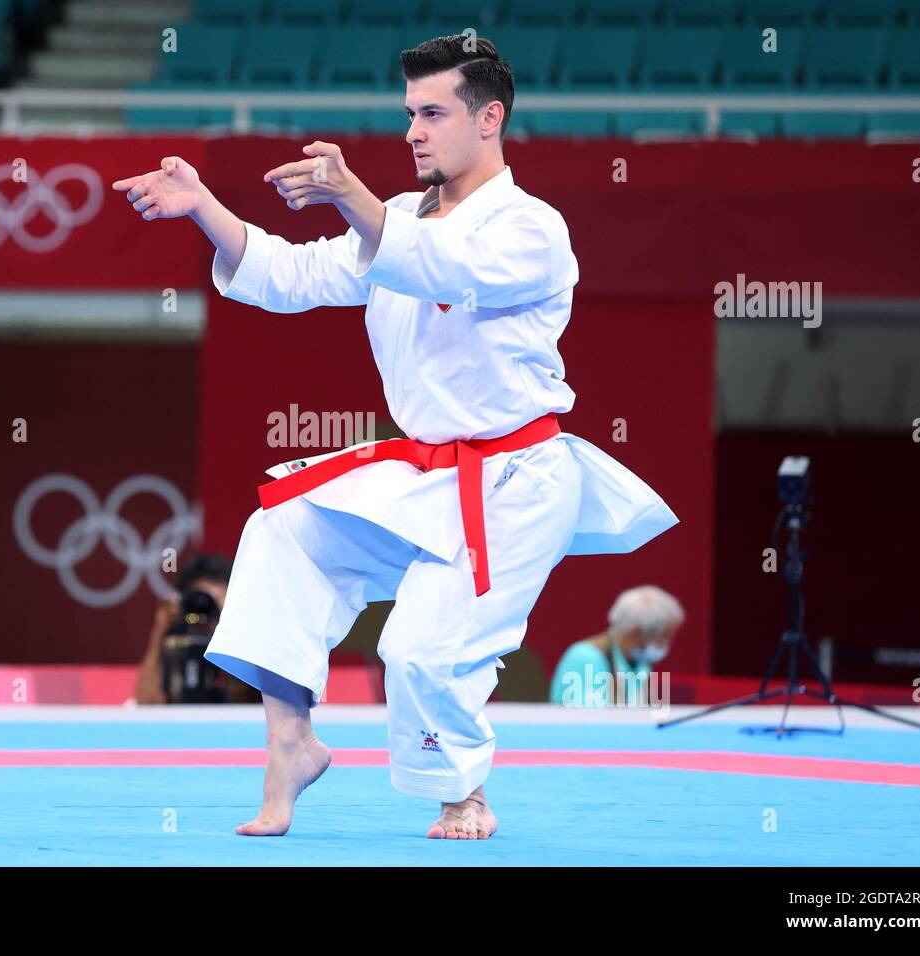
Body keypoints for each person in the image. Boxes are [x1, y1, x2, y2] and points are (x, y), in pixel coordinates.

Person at [111, 35, 678, 839]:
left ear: (490, 119)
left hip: (516, 482)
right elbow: (290, 278)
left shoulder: (531, 228)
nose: (413, 130)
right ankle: (291, 743)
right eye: (409, 112)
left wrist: (354, 199)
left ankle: (465, 793)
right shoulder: (401, 218)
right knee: (282, 528)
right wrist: (202, 205)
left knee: (415, 652)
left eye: (433, 112)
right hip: (427, 476)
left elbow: (442, 271)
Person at [132, 552, 259, 704]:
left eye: (217, 604)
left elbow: (249, 705)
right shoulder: (176, 638)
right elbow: (146, 703)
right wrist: (160, 629)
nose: (207, 609)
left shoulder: (240, 641)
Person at [549, 585, 685, 707]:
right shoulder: (585, 657)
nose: (665, 646)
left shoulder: (641, 664)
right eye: (662, 639)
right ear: (635, 632)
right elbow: (590, 725)